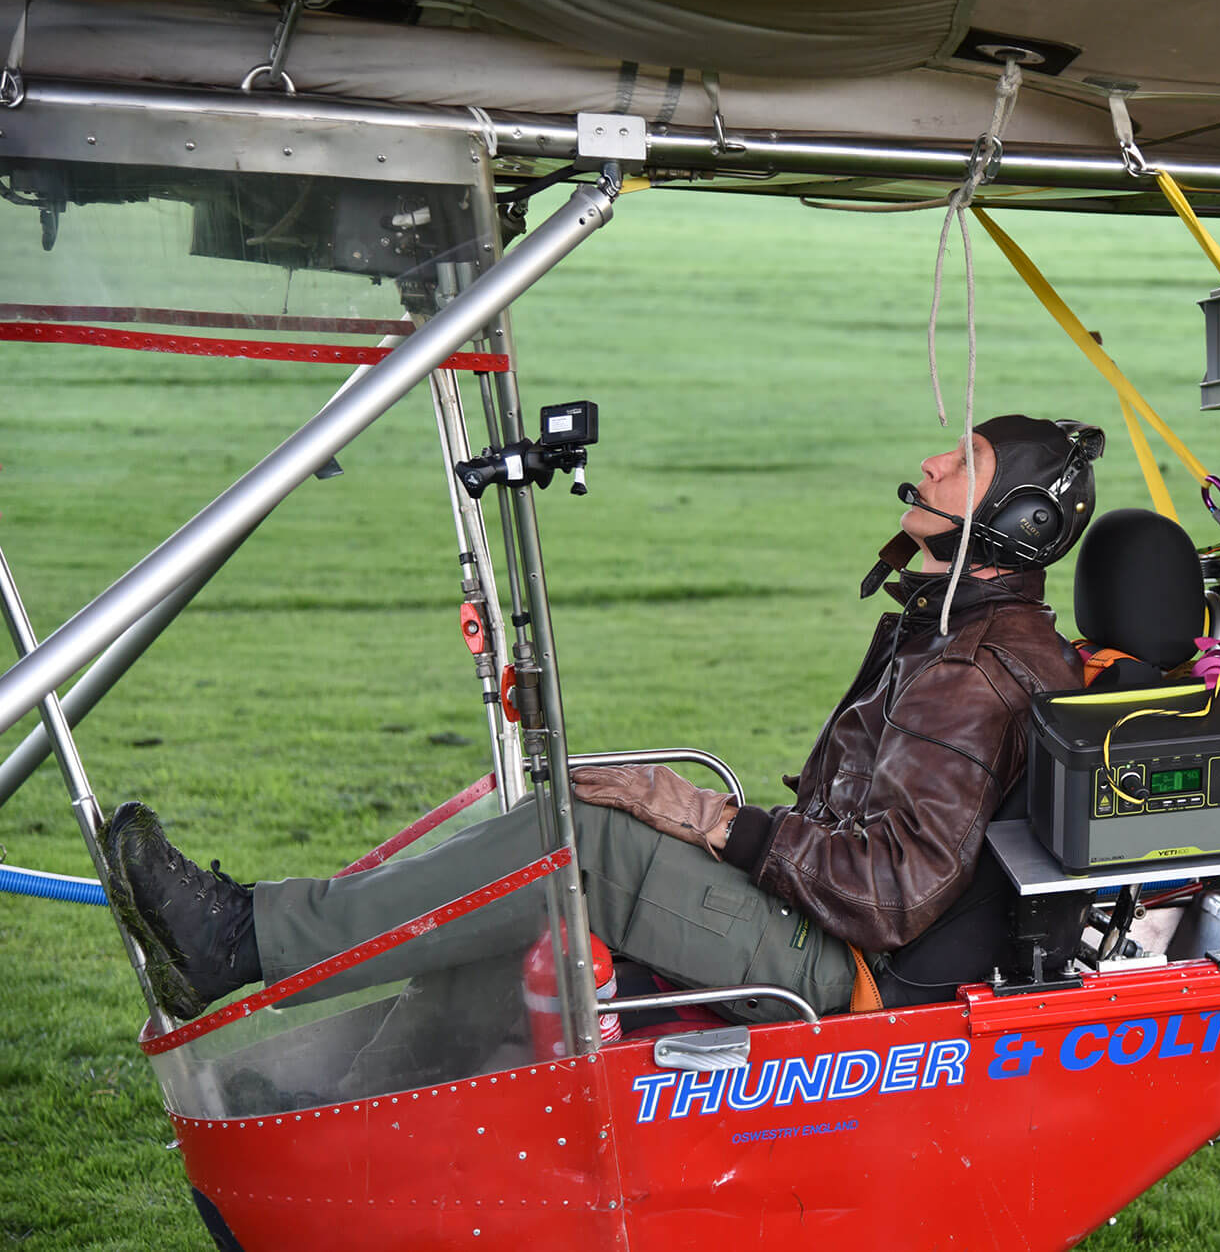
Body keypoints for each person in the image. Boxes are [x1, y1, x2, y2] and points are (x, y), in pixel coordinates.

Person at [103, 415, 1102, 1050]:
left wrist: (713, 823)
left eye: (961, 461)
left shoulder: (974, 669)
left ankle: (242, 941)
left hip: (848, 966)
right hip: (825, 922)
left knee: (577, 841)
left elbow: (888, 888)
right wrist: (713, 823)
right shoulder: (963, 633)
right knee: (590, 812)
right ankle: (345, 1058)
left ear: (1014, 515)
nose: (929, 457)